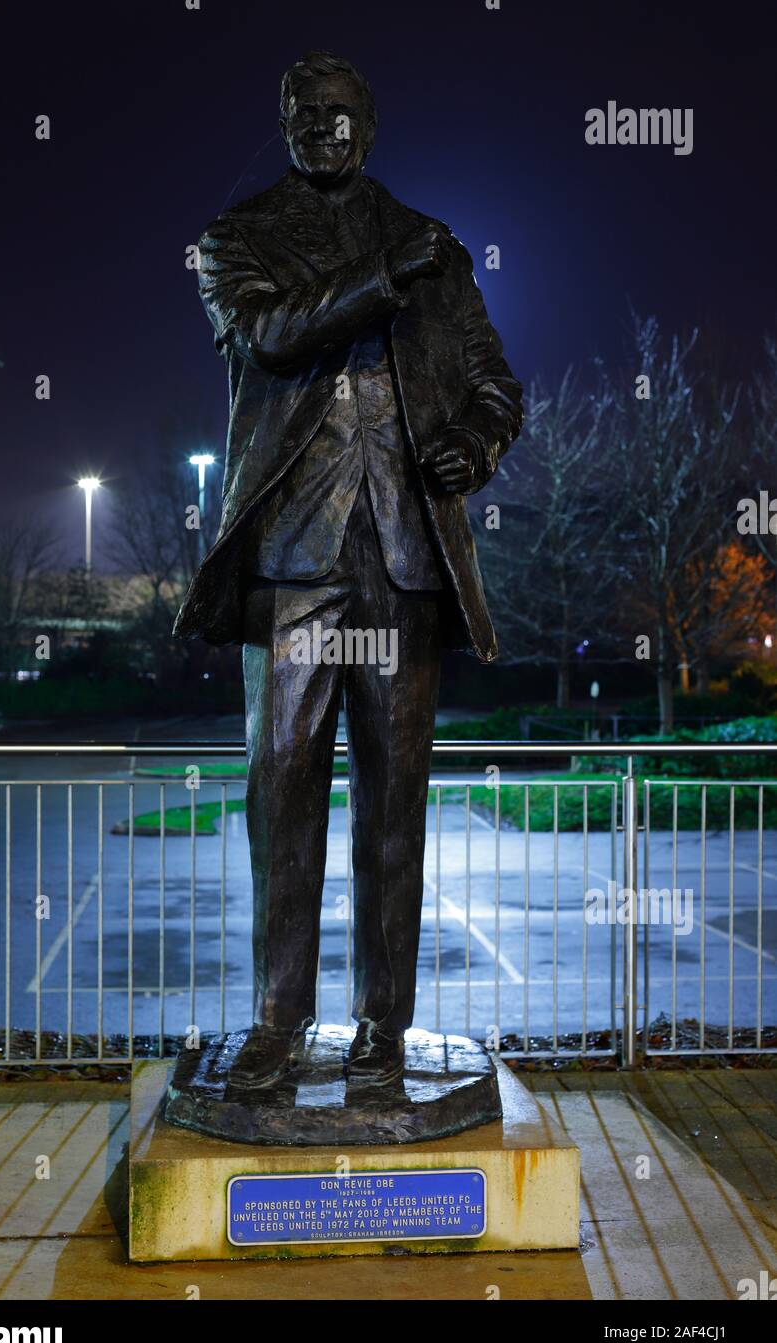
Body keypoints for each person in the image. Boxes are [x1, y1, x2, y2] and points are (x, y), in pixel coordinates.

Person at [174, 51, 523, 1089]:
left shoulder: (432, 246)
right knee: (282, 789)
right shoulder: (236, 241)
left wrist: (473, 442)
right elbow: (273, 336)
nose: (324, 129)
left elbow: (496, 384)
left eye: (341, 114)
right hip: (297, 563)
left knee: (394, 802)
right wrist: (379, 281)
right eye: (305, 114)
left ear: (369, 123)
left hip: (403, 562)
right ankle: (279, 1024)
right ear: (283, 122)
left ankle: (384, 1029)